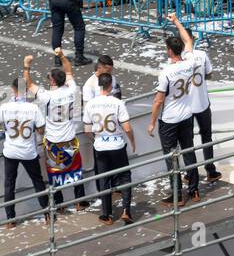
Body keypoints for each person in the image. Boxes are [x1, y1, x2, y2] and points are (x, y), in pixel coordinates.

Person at [25, 49, 86, 212]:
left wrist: (26, 66)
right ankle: (80, 201)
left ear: (52, 81)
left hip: (53, 141)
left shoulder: (47, 96)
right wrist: (62, 55)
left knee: (55, 173)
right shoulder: (72, 89)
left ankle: (59, 205)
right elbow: (69, 69)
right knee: (75, 170)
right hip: (70, 139)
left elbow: (29, 84)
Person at [147, 26, 200, 207]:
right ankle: (194, 189)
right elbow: (189, 41)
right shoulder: (189, 63)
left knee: (171, 158)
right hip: (186, 115)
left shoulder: (166, 73)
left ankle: (177, 194)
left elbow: (158, 101)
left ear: (169, 51)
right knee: (188, 151)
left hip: (169, 120)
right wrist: (177, 22)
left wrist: (152, 123)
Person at [169, 12, 219, 182]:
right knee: (207, 136)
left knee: (187, 143)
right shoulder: (201, 55)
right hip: (203, 102)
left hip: (187, 106)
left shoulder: (178, 60)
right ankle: (211, 170)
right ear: (191, 40)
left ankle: (190, 174)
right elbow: (209, 74)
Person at [83, 72, 135, 225]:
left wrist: (96, 140)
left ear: (99, 86)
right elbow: (126, 127)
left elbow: (87, 130)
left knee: (104, 179)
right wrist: (132, 141)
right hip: (117, 144)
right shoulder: (118, 103)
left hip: (101, 145)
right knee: (125, 176)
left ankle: (107, 214)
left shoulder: (91, 104)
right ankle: (126, 210)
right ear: (111, 86)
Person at [0, 75, 47, 226]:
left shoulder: (4, 107)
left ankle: (10, 220)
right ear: (26, 90)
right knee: (38, 181)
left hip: (10, 151)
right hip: (28, 151)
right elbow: (41, 130)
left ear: (13, 90)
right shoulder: (33, 108)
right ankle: (47, 213)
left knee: (9, 185)